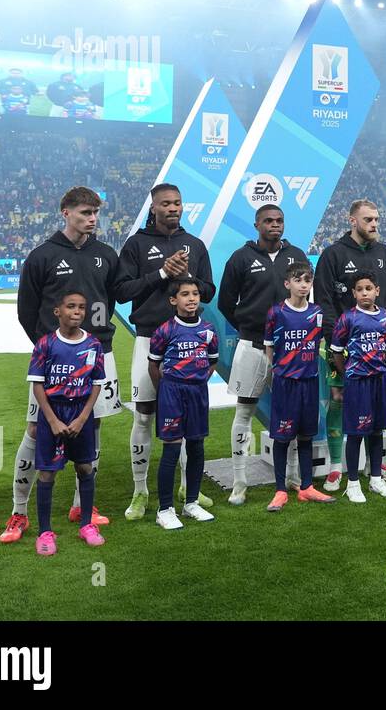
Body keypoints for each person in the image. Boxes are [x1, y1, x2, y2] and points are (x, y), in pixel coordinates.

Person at [3, 187, 126, 544]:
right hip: (53, 361)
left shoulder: (105, 253)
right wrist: (50, 350)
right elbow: (27, 311)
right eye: (86, 212)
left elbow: (116, 297)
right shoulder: (42, 255)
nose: (93, 218)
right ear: (65, 212)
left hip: (97, 354)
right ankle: (19, 512)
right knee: (35, 430)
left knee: (93, 425)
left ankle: (80, 508)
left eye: (96, 213)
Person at [116, 183, 216, 520]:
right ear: (154, 207)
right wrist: (161, 273)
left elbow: (209, 290)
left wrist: (186, 276)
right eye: (166, 204)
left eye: (177, 203)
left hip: (187, 343)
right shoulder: (137, 245)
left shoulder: (195, 245)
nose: (173, 208)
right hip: (149, 340)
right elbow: (122, 290)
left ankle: (189, 490)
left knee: (187, 418)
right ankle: (140, 491)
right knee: (144, 414)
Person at [216, 205, 308, 505]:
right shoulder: (241, 258)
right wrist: (248, 324)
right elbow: (227, 303)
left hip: (289, 349)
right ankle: (239, 482)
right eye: (268, 221)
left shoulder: (296, 256)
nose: (275, 225)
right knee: (244, 411)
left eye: (280, 221)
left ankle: (293, 477)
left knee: (291, 413)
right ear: (257, 224)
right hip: (252, 346)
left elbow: (308, 295)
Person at [314, 199, 386, 489]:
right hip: (342, 348)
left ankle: (375, 465)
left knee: (374, 404)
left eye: (376, 219)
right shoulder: (333, 254)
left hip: (377, 347)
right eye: (368, 220)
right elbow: (324, 302)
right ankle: (337, 467)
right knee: (339, 401)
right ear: (352, 221)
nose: (374, 224)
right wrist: (334, 343)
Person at [27, 290, 106, 555]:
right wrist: (52, 420)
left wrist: (83, 418)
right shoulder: (46, 344)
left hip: (81, 413)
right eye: (71, 306)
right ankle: (45, 532)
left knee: (85, 468)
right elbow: (37, 385)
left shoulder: (93, 345)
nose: (77, 312)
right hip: (52, 413)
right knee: (48, 472)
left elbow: (96, 384)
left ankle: (86, 525)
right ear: (57, 311)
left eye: (81, 307)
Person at [147, 278, 219, 529]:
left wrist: (197, 381)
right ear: (173, 300)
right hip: (171, 393)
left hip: (197, 393)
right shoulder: (165, 330)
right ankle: (165, 509)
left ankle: (191, 504)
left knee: (197, 447)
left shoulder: (208, 330)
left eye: (195, 294)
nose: (191, 298)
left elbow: (211, 362)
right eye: (185, 294)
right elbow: (153, 366)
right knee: (172, 449)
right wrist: (166, 391)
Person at [262, 262, 335, 509]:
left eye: (307, 280)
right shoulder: (276, 313)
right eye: (298, 280)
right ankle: (280, 490)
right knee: (282, 438)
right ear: (287, 284)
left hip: (309, 382)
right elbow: (269, 346)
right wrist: (275, 374)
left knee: (306, 436)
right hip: (286, 383)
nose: (303, 285)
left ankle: (306, 487)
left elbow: (317, 346)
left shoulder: (317, 312)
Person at [328, 273, 386, 503]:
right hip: (358, 381)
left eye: (369, 288)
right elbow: (336, 350)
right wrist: (347, 373)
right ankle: (353, 483)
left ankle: (376, 479)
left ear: (377, 290)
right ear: (354, 293)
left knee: (377, 431)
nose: (365, 292)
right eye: (360, 289)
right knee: (357, 433)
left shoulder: (385, 315)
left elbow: (385, 344)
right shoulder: (348, 318)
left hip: (380, 380)